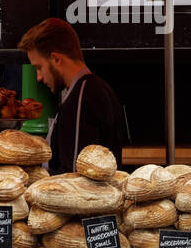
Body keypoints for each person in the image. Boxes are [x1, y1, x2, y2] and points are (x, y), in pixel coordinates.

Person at [18, 17, 125, 175]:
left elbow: (74, 178)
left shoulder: (81, 98)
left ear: (56, 59)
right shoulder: (94, 89)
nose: (38, 77)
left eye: (39, 67)